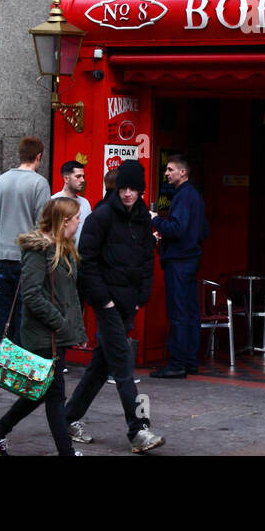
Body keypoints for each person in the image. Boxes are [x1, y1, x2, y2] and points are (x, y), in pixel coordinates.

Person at [63, 159, 165, 453]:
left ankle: (67, 417)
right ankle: (138, 430)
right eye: (124, 188)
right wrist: (103, 300)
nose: (128, 194)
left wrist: (141, 297)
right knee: (122, 365)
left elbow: (147, 258)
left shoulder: (143, 218)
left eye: (134, 189)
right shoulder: (101, 216)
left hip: (129, 302)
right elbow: (88, 262)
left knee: (100, 366)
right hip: (108, 303)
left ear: (141, 191)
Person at [0, 197, 87, 456]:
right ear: (64, 221)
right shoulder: (38, 250)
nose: (79, 222)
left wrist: (76, 330)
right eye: (76, 218)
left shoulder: (65, 248)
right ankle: (66, 451)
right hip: (42, 334)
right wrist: (60, 322)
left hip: (57, 334)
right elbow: (31, 295)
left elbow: (70, 296)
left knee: (41, 391)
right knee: (53, 394)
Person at [149, 154, 209, 379]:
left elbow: (176, 228)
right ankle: (190, 361)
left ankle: (177, 364)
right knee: (190, 312)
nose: (166, 173)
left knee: (179, 313)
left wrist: (154, 219)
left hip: (179, 261)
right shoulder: (195, 196)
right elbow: (204, 230)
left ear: (183, 172)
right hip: (190, 258)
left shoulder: (184, 196)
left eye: (170, 169)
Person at [0, 137, 51, 350]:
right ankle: (22, 366)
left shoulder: (2, 181)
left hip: (4, 255)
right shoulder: (39, 183)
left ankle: (1, 358)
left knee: (3, 311)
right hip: (28, 258)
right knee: (26, 314)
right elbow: (42, 226)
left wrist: (1, 246)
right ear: (39, 156)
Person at [51, 160, 92, 245]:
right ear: (66, 178)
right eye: (78, 176)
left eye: (83, 176)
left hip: (81, 255)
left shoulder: (85, 203)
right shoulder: (53, 201)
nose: (82, 180)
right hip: (59, 254)